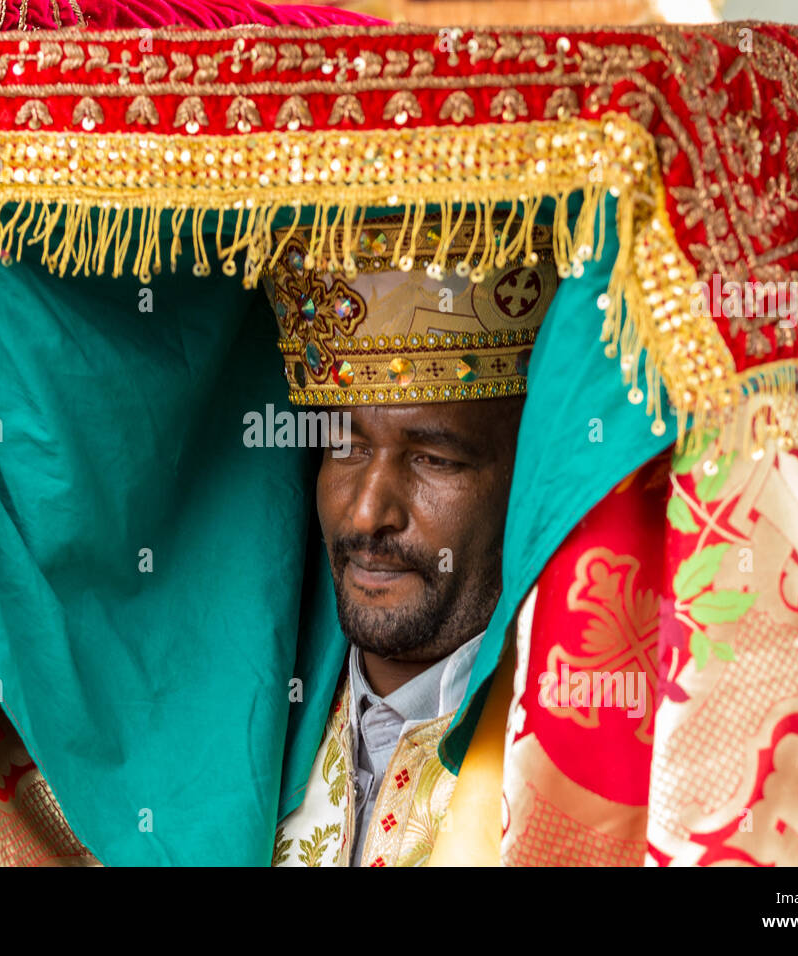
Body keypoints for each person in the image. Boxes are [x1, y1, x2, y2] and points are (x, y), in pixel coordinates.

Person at [267, 213, 554, 866]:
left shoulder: (575, 761)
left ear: (526, 480)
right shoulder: (253, 736)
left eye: (434, 460)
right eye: (345, 447)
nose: (368, 516)